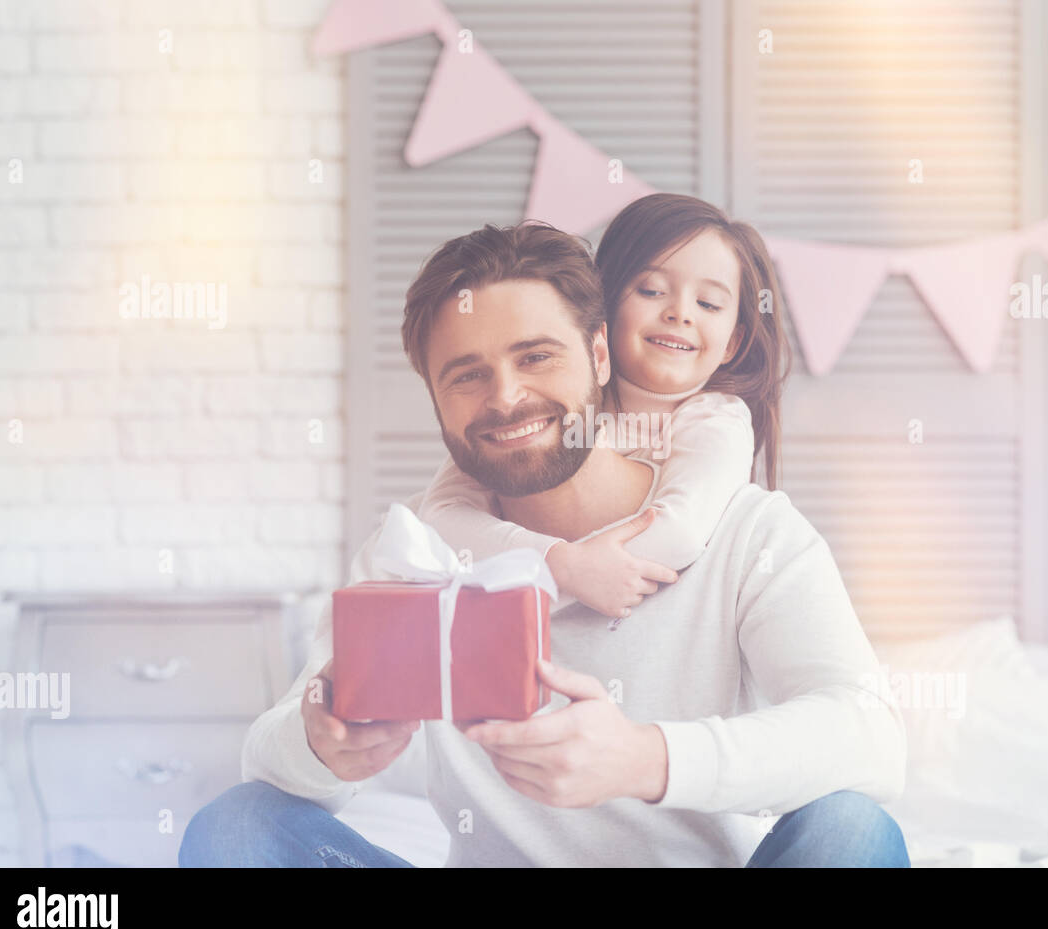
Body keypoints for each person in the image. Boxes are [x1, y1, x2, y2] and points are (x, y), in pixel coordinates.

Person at [179, 203, 910, 867]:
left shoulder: (748, 531)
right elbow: (272, 756)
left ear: (598, 356)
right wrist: (319, 739)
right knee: (237, 830)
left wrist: (643, 758)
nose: (505, 397)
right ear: (435, 400)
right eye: (467, 375)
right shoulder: (416, 550)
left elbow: (870, 735)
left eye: (535, 357)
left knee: (852, 830)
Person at [416, 193, 786, 620]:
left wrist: (559, 583)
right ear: (602, 309)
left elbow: (680, 533)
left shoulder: (718, 421)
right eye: (651, 290)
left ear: (733, 342)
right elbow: (442, 519)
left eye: (708, 304)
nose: (680, 314)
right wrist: (558, 563)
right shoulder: (545, 410)